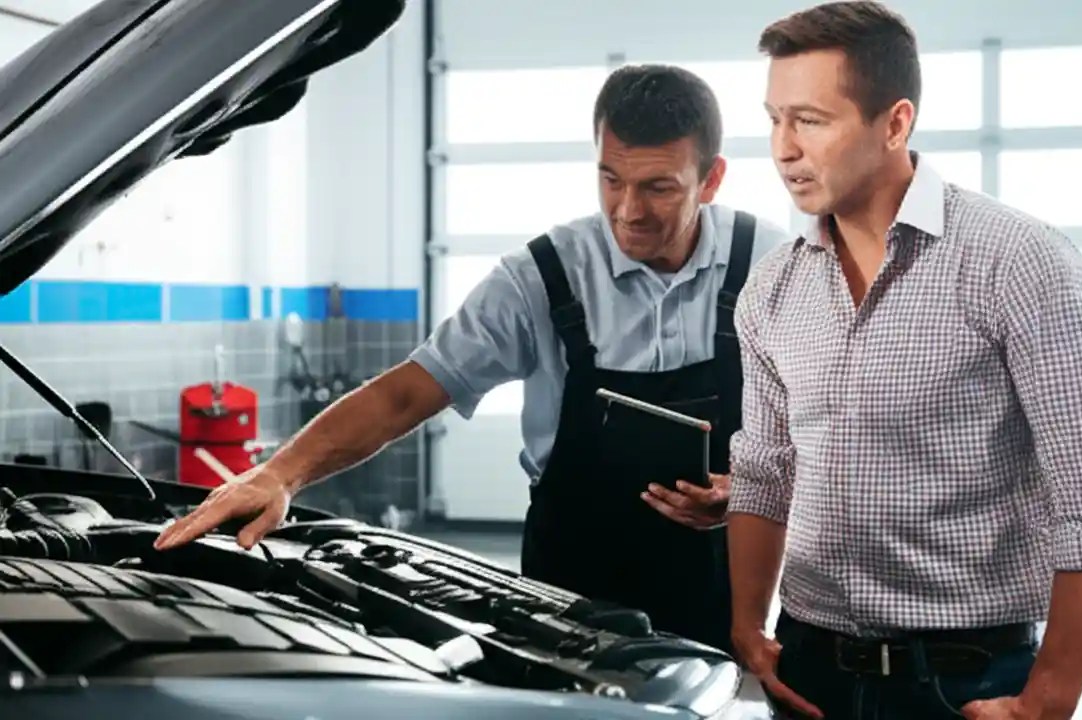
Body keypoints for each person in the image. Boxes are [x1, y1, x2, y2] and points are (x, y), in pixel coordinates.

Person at [152, 63, 793, 654]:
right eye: (610, 178)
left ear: (710, 179)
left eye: (658, 187)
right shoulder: (540, 277)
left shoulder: (774, 265)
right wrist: (279, 474)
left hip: (718, 578)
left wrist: (762, 489)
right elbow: (407, 392)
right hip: (568, 585)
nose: (628, 211)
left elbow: (835, 418)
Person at [724, 3, 1082, 719]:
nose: (784, 147)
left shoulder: (1019, 263)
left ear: (894, 123)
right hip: (809, 673)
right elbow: (765, 471)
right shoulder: (773, 288)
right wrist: (747, 624)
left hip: (966, 681)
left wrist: (1048, 700)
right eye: (774, 118)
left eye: (811, 120)